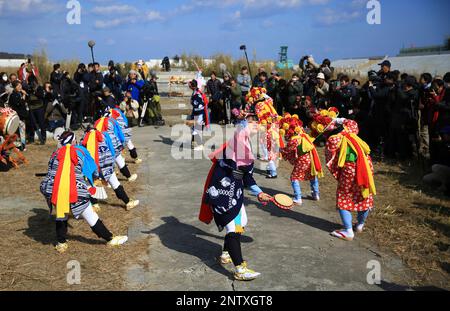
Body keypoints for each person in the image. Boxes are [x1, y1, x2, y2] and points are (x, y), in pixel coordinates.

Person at [199, 110, 271, 281]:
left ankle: (226, 253)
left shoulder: (243, 141)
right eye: (254, 122)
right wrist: (242, 119)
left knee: (241, 223)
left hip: (234, 190)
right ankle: (240, 269)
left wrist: (259, 193)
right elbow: (246, 174)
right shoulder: (239, 140)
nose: (258, 125)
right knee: (233, 227)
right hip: (222, 192)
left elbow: (245, 176)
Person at [40, 131, 128, 253]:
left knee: (61, 215)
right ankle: (110, 238)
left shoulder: (55, 154)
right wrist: (97, 179)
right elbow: (92, 168)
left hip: (55, 190)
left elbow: (51, 172)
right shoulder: (80, 151)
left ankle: (61, 244)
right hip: (74, 190)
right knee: (91, 216)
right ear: (73, 141)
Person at [325, 118, 376, 241]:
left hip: (349, 170)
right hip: (365, 169)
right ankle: (359, 225)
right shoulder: (357, 138)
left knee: (344, 197)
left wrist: (333, 126)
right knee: (363, 196)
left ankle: (348, 230)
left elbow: (330, 143)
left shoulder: (340, 138)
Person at [80, 128, 140, 211]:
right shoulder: (103, 136)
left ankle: (95, 205)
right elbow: (111, 150)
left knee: (90, 186)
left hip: (92, 169)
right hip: (106, 165)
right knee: (116, 185)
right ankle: (128, 202)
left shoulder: (83, 142)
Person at [279, 113, 323, 205]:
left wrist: (280, 149)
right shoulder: (304, 135)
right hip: (310, 158)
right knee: (312, 175)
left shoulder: (294, 140)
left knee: (294, 177)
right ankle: (316, 194)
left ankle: (298, 197)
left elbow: (287, 150)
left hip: (302, 160)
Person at [94, 113, 138, 182]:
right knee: (118, 158)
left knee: (104, 162)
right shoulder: (112, 121)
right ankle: (128, 176)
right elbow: (118, 132)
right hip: (112, 142)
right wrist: (122, 142)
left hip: (100, 144)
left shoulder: (96, 122)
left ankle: (105, 180)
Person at [189, 79, 209, 151]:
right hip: (196, 114)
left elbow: (200, 105)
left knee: (197, 130)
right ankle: (194, 144)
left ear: (193, 86)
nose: (189, 86)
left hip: (199, 114)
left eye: (190, 85)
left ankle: (200, 145)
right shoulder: (195, 92)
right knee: (194, 129)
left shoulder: (198, 94)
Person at [8, 80, 29, 150]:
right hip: (17, 115)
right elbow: (19, 103)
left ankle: (23, 146)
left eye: (20, 86)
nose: (20, 87)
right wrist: (23, 96)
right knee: (16, 132)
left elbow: (24, 102)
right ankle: (17, 146)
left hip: (22, 115)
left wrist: (24, 95)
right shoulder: (13, 95)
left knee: (22, 131)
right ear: (14, 87)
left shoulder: (20, 93)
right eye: (18, 86)